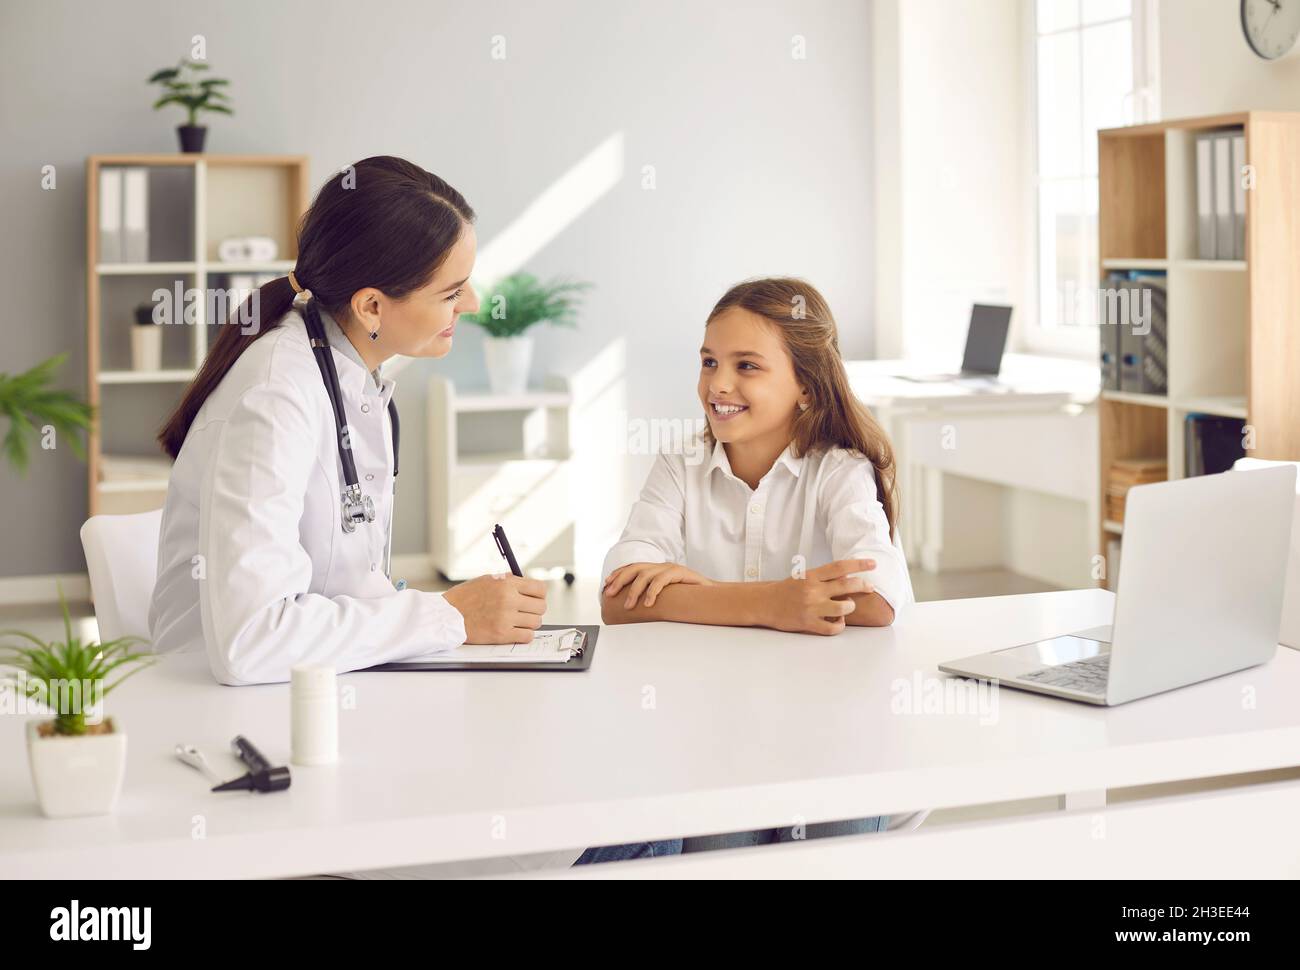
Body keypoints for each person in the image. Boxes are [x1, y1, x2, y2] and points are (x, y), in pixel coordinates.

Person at [601, 277, 914, 850]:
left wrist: (695, 591)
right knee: (715, 845)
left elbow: (876, 601)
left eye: (747, 366)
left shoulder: (838, 471)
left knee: (830, 842)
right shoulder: (680, 465)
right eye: (709, 362)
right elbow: (620, 598)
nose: (718, 384)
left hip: (836, 733)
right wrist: (775, 602)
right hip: (716, 727)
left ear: (807, 389)